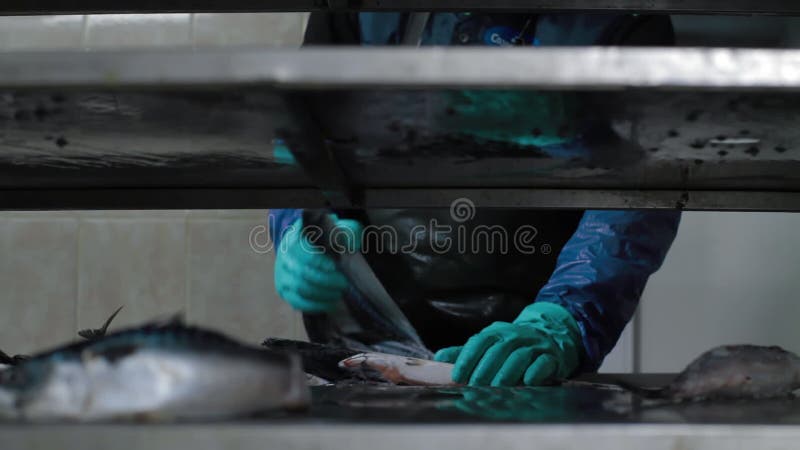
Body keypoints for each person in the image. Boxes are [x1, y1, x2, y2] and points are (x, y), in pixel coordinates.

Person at [270, 11, 681, 387]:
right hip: (365, 329)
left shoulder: (623, 18)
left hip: (523, 339)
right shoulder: (360, 10)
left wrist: (566, 317)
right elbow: (303, 135)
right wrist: (301, 227)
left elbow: (637, 189)